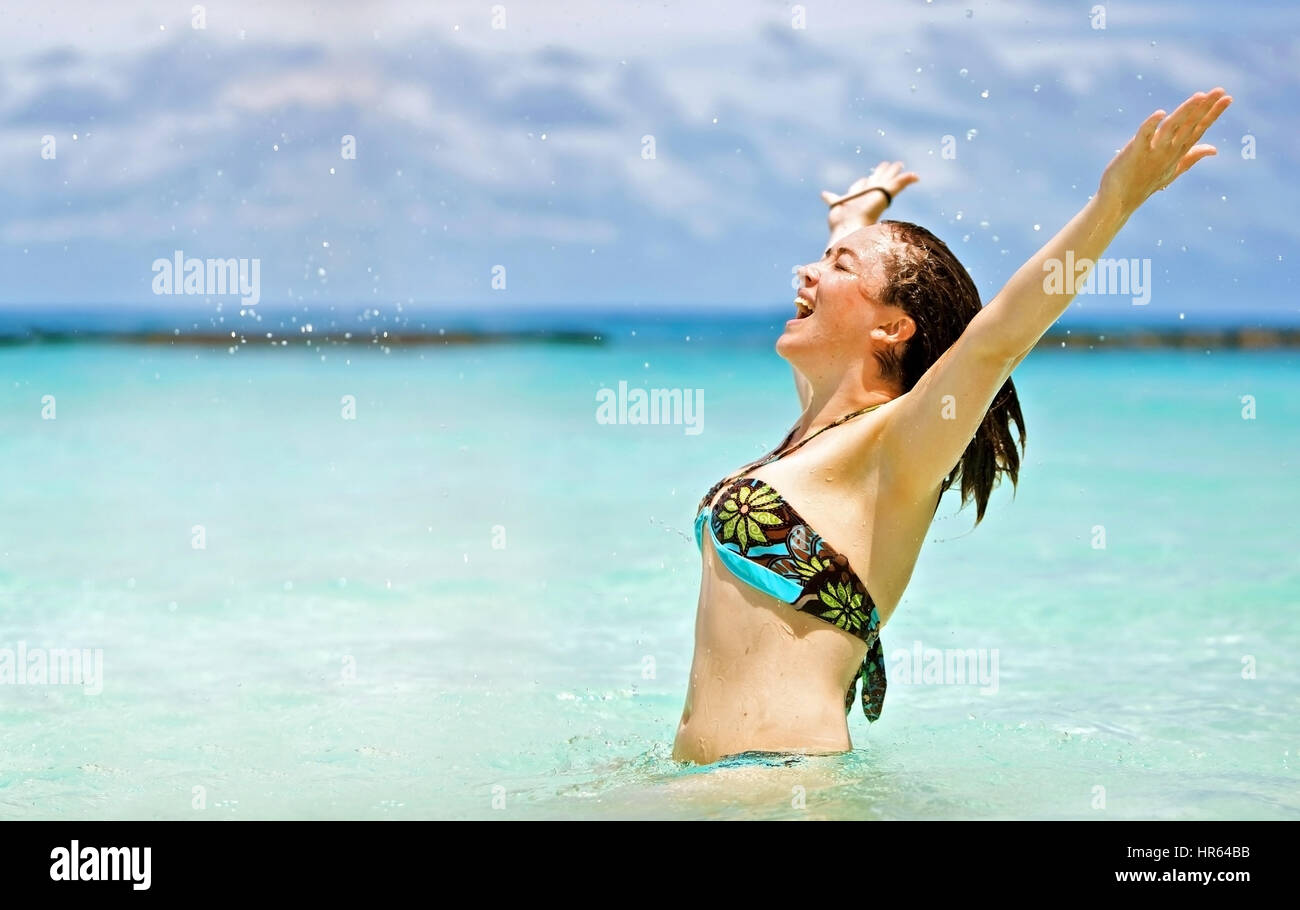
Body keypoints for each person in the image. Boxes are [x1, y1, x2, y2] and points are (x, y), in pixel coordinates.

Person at [673, 87, 1233, 766]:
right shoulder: (817, 434)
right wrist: (852, 223)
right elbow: (844, 356)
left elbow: (997, 339)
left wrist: (1114, 202)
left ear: (893, 325)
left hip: (782, 793)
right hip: (716, 790)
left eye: (837, 267)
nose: (809, 272)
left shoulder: (897, 446)